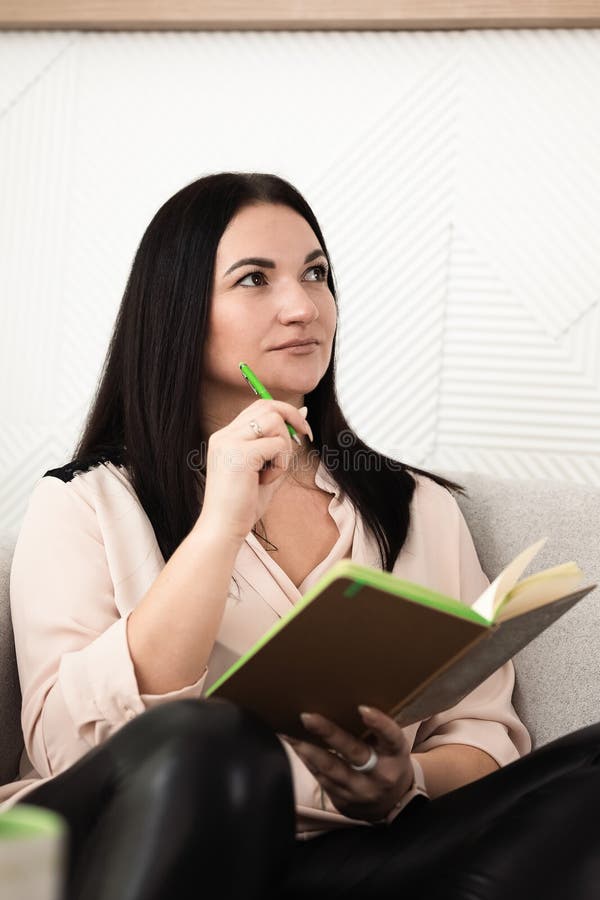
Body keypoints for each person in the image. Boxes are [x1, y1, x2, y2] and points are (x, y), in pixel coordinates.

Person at [1, 172, 599, 900]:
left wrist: (403, 782)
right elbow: (70, 745)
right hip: (132, 845)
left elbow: (481, 738)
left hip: (342, 854)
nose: (302, 306)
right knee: (215, 745)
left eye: (316, 274)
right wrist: (220, 526)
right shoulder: (86, 501)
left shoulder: (416, 508)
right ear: (179, 311)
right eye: (255, 279)